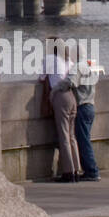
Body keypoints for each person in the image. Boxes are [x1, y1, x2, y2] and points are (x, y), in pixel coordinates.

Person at [43, 38, 81, 183]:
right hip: (72, 97)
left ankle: (68, 172)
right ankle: (77, 170)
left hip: (60, 97)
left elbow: (41, 77)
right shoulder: (69, 60)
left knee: (64, 135)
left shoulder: (50, 59)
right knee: (72, 136)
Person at [72, 54, 102, 182]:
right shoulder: (89, 67)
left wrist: (57, 89)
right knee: (86, 139)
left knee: (84, 141)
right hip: (91, 106)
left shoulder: (78, 67)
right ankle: (90, 170)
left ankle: (92, 171)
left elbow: (71, 82)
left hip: (82, 107)